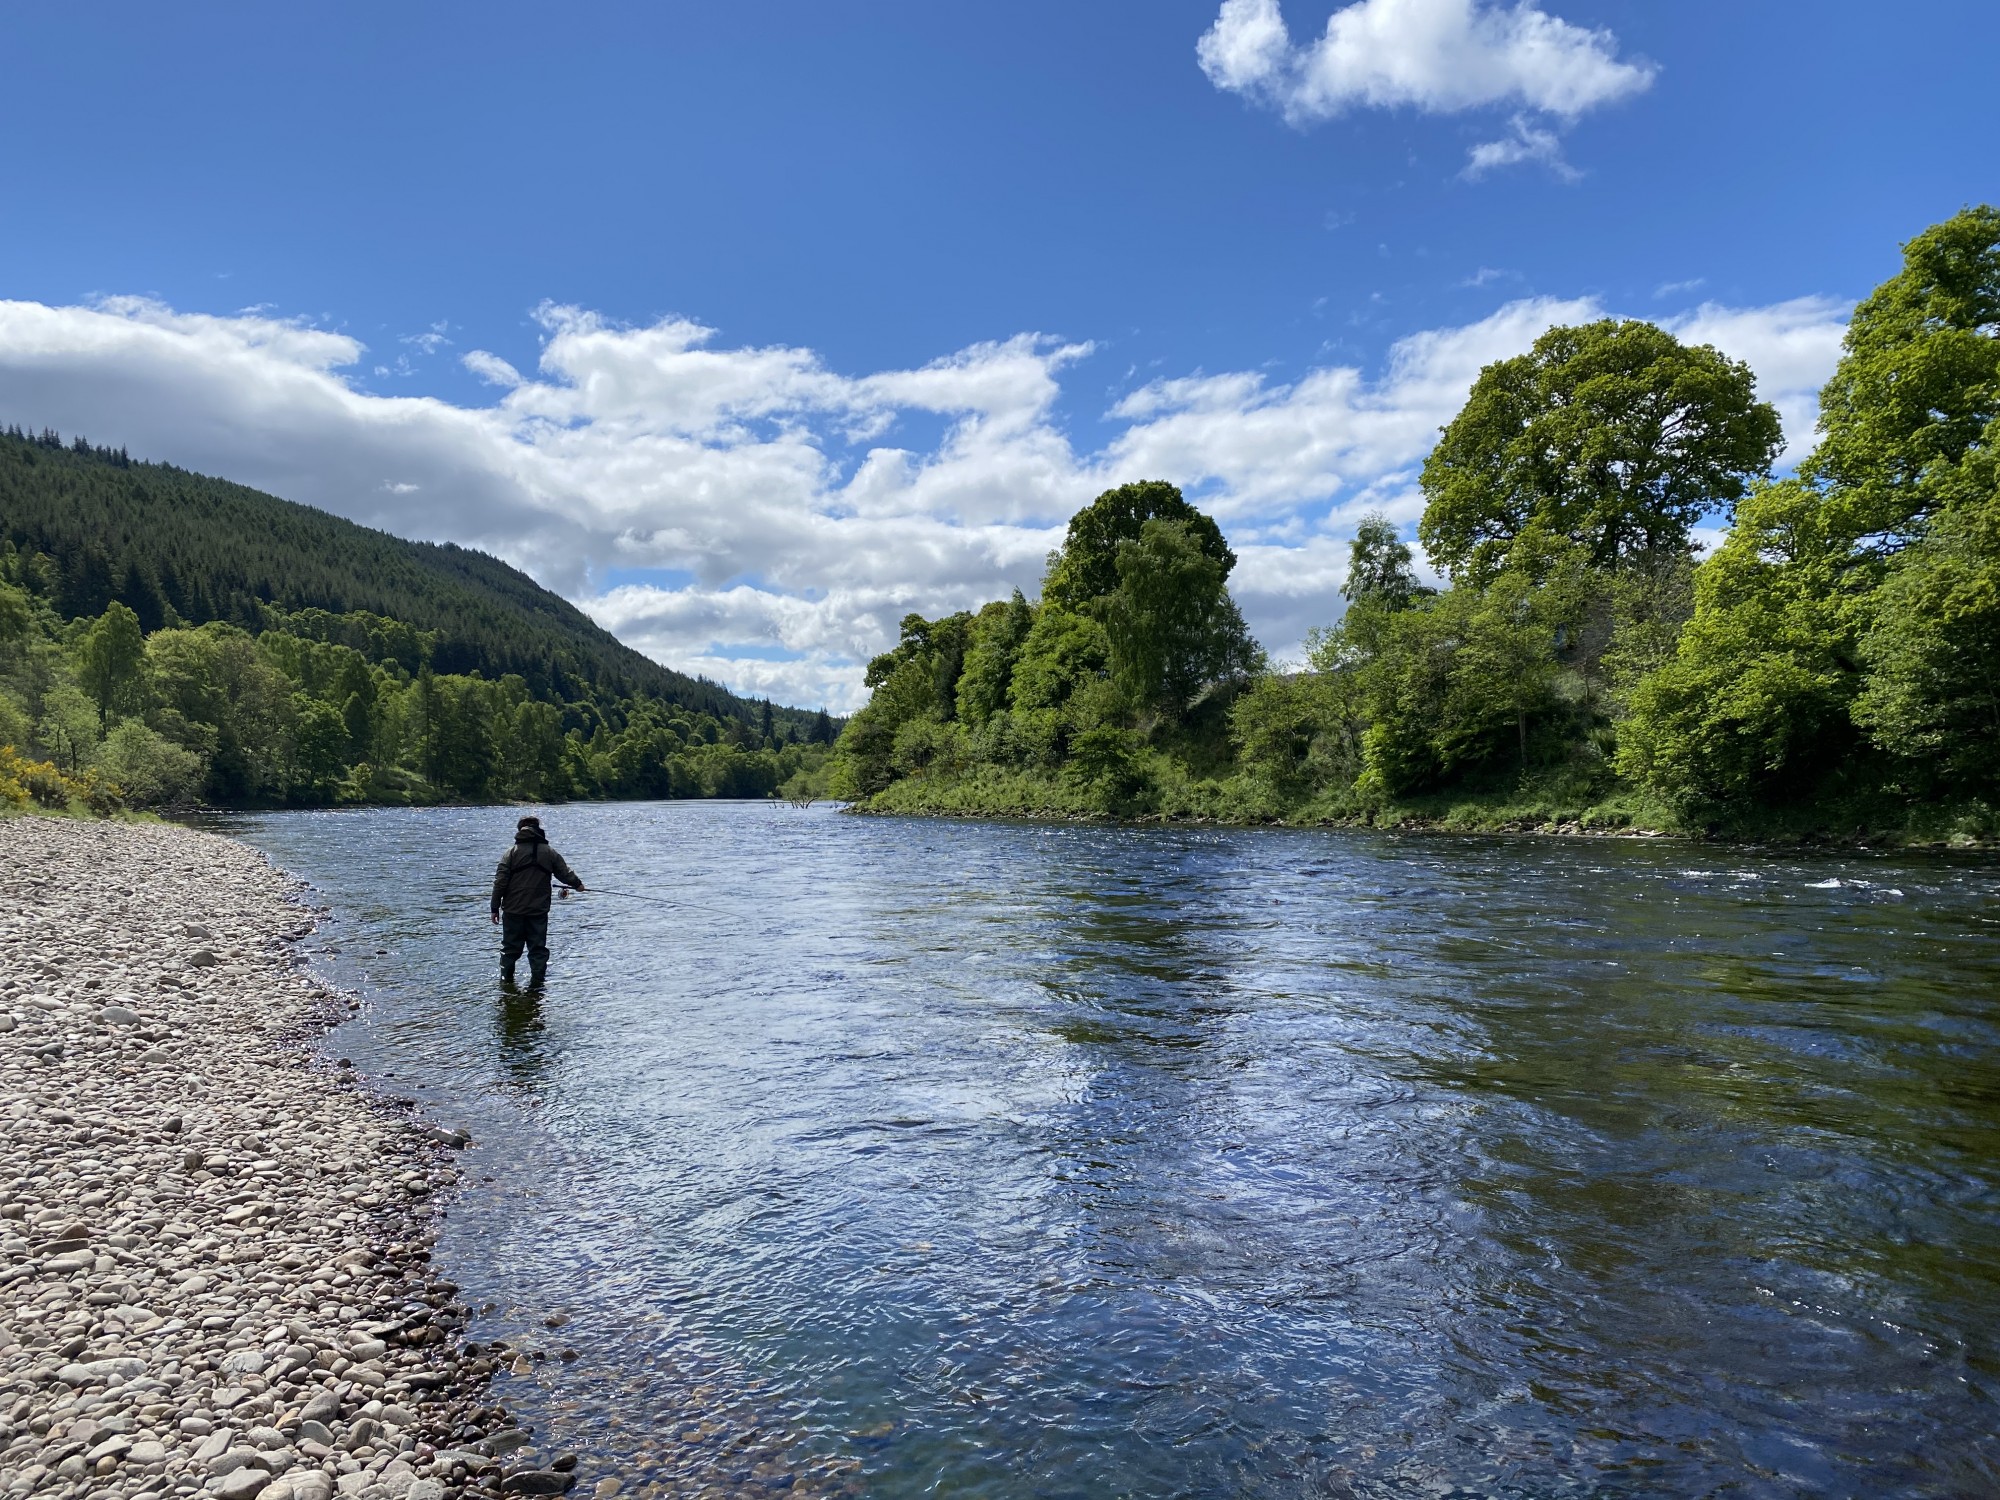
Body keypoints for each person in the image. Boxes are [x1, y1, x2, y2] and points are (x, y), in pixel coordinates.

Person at [490, 815, 585, 988]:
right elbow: (564, 873)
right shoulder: (549, 852)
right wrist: (578, 884)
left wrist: (494, 907)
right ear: (539, 830)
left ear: (520, 830)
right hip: (538, 911)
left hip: (513, 910)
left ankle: (506, 984)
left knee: (510, 950)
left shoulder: (510, 853)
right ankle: (537, 987)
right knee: (538, 950)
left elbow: (500, 882)